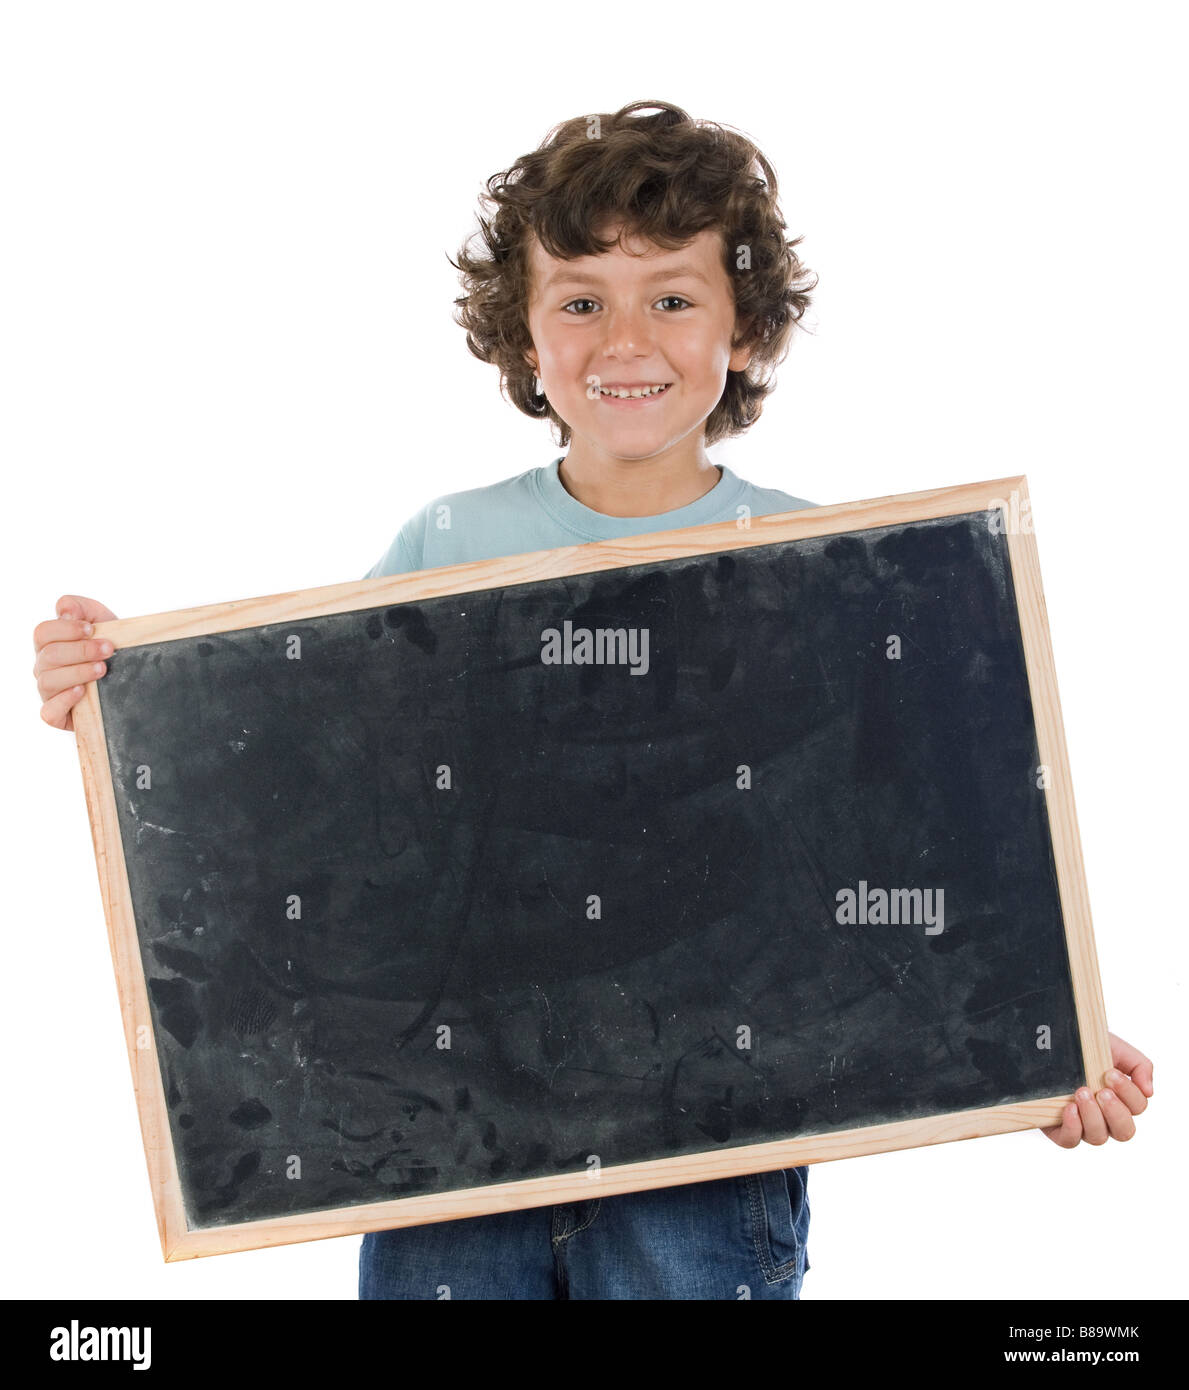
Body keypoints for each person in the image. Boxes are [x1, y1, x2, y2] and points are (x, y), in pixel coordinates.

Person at [32, 100, 1153, 1300]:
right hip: (447, 1152)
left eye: (672, 297)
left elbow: (897, 857)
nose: (626, 339)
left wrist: (1040, 1031)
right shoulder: (449, 542)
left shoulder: (823, 566)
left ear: (748, 324)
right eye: (579, 301)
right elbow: (318, 782)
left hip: (711, 1157)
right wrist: (119, 694)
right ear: (521, 336)